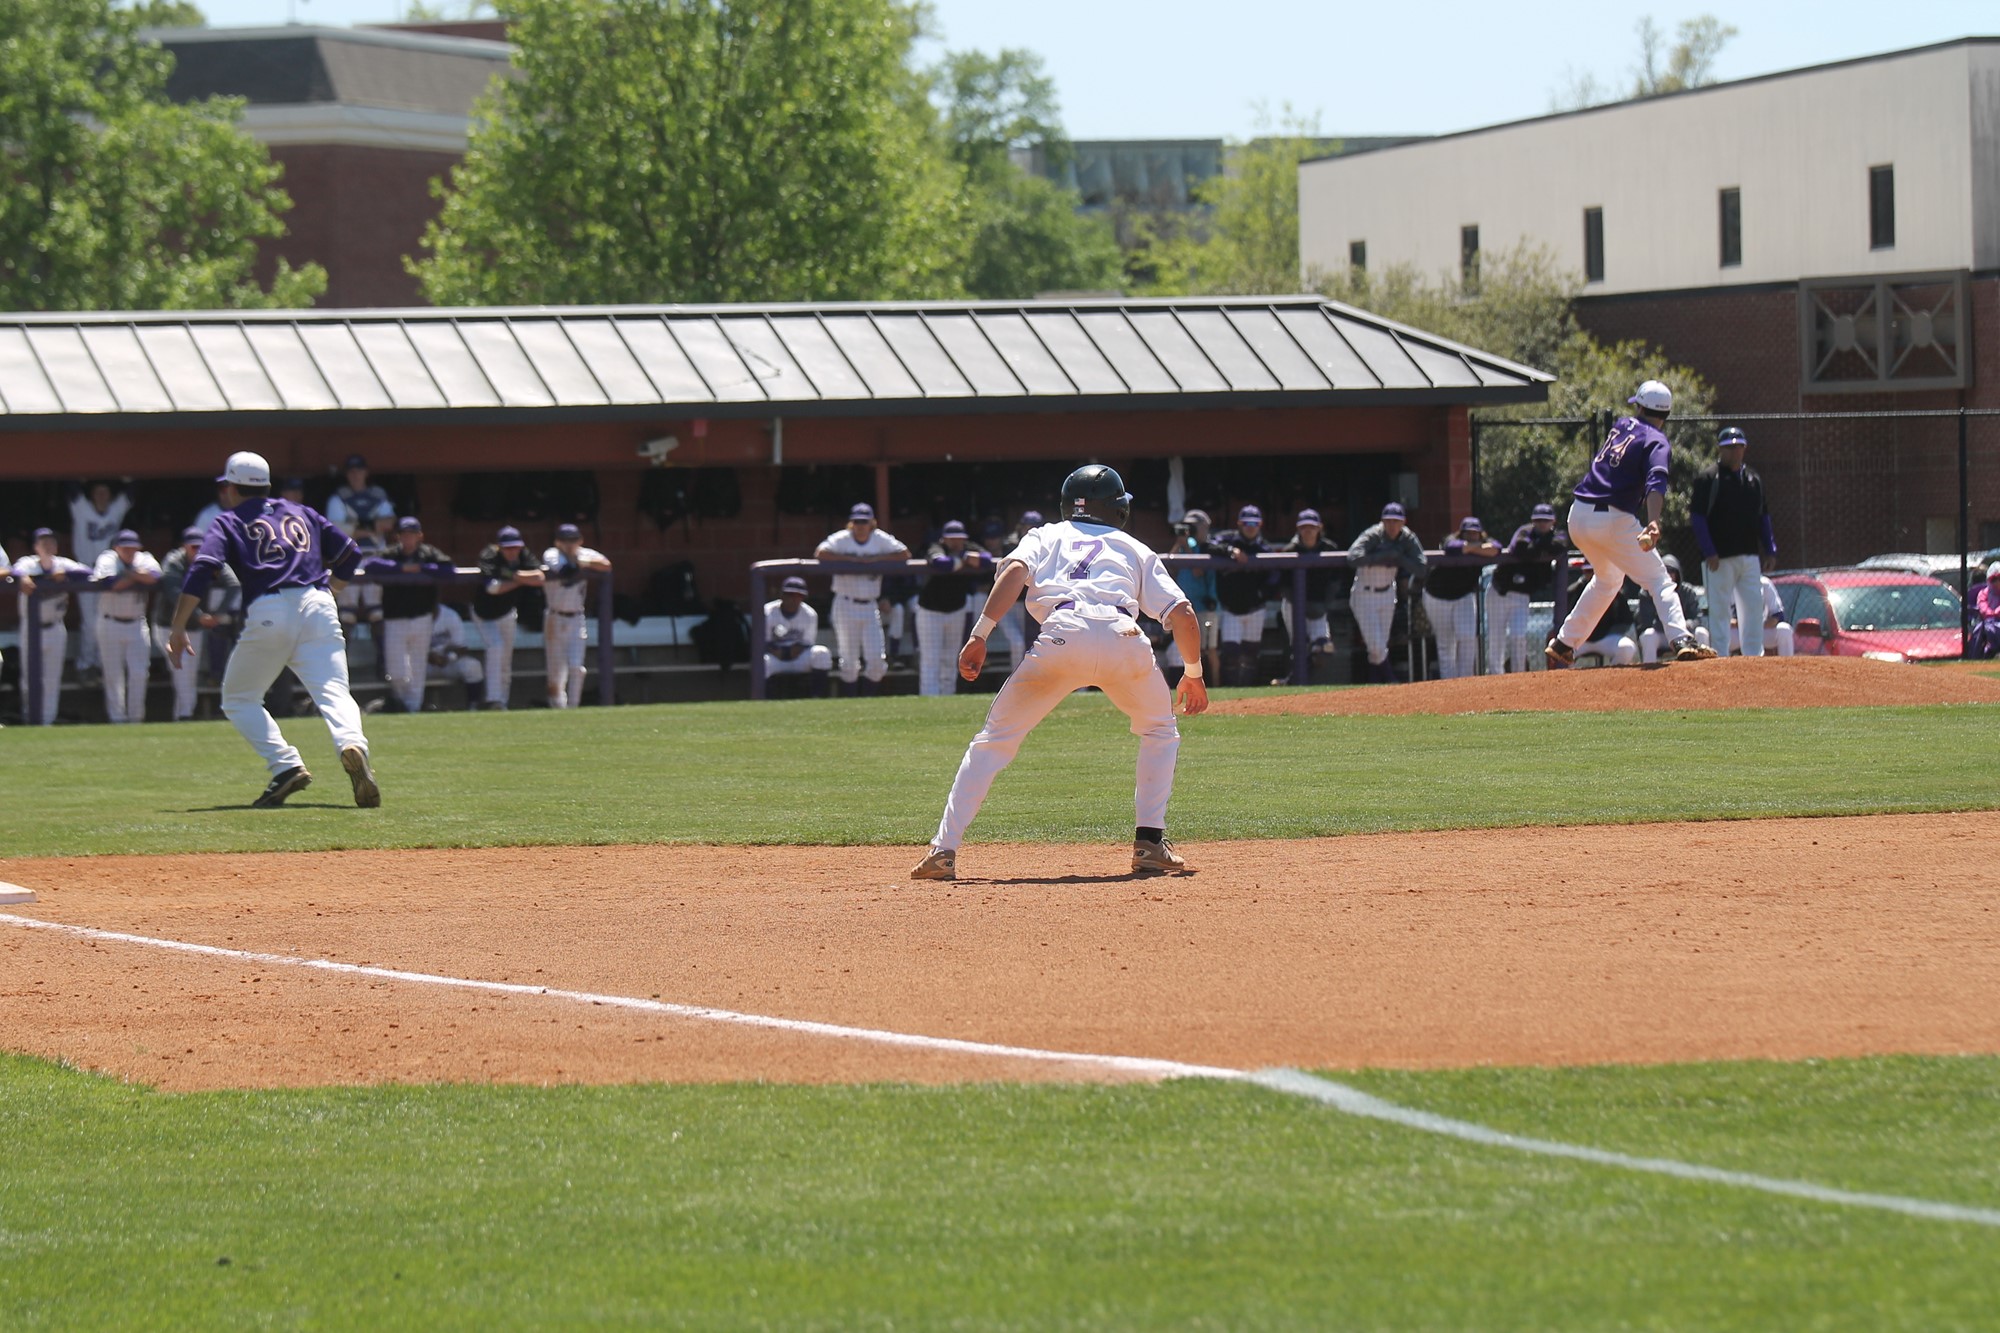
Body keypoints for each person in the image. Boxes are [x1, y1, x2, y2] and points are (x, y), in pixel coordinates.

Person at [911, 464, 1208, 882]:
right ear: (1118, 509)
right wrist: (1193, 673)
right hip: (1123, 636)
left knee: (994, 741)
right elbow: (1184, 614)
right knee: (1159, 730)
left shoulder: (1044, 535)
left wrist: (980, 634)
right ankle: (1149, 843)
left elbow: (1013, 573)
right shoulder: (1135, 548)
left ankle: (943, 850)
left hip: (1061, 635)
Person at [168, 450, 379, 809]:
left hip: (270, 607)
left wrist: (178, 626)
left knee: (238, 698)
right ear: (266, 486)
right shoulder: (302, 511)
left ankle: (285, 765)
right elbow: (350, 554)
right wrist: (332, 591)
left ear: (232, 488)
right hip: (318, 603)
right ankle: (351, 744)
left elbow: (203, 567)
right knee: (334, 692)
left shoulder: (228, 519)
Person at [1548, 381, 1715, 668]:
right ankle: (1682, 639)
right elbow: (1656, 481)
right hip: (1612, 518)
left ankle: (1564, 642)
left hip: (1578, 515)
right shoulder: (1657, 441)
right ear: (1667, 414)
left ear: (1639, 407)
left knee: (1608, 580)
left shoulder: (1622, 425)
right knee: (1659, 579)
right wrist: (1653, 521)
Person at [1691, 426, 1779, 658]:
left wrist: (1770, 549)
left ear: (1745, 448)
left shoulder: (1753, 479)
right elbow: (1698, 518)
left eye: (1738, 446)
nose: (1734, 451)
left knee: (1753, 608)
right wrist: (1709, 551)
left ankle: (1753, 656)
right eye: (1729, 447)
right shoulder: (1708, 478)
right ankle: (1720, 656)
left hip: (1749, 556)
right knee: (1719, 611)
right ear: (1720, 449)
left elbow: (1763, 516)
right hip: (1718, 559)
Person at [814, 503, 908, 695]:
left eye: (864, 522)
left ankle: (867, 700)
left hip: (869, 605)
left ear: (871, 523)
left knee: (877, 662)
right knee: (849, 662)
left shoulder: (879, 538)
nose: (860, 526)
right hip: (845, 603)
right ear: (851, 523)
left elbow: (904, 554)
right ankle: (851, 702)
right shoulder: (843, 539)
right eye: (857, 521)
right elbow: (820, 553)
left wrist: (876, 559)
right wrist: (852, 560)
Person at [365, 517, 453, 714]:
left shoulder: (428, 554)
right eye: (404, 534)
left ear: (419, 536)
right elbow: (370, 565)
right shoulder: (392, 553)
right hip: (395, 618)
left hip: (421, 617)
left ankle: (413, 708)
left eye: (412, 534)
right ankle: (402, 703)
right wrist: (401, 568)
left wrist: (422, 568)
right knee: (396, 670)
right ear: (398, 536)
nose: (408, 538)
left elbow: (449, 570)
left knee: (418, 666)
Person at [154, 526, 240, 720]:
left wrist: (218, 614)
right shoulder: (174, 562)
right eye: (193, 547)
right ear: (184, 546)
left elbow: (233, 584)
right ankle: (185, 714)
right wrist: (199, 615)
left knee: (189, 674)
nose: (198, 550)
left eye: (201, 546)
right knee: (182, 670)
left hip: (194, 627)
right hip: (170, 626)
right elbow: (175, 592)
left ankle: (183, 716)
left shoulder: (211, 560)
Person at [12, 529, 88, 726]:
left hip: (55, 627)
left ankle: (47, 719)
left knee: (52, 678)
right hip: (31, 628)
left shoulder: (63, 564)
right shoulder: (28, 563)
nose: (47, 545)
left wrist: (66, 574)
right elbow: (15, 571)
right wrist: (23, 578)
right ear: (35, 547)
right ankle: (29, 717)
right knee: (29, 678)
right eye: (43, 542)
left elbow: (88, 573)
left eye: (51, 542)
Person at [1347, 502, 1427, 683]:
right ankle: (1392, 681)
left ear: (1403, 522)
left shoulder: (1407, 538)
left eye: (1396, 521)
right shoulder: (1373, 535)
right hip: (1364, 594)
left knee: (1379, 647)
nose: (1392, 525)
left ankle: (1375, 686)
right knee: (1377, 647)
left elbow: (1421, 568)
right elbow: (1352, 557)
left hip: (1388, 594)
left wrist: (1399, 558)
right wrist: (1381, 556)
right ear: (1382, 521)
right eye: (1388, 521)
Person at [472, 525, 545, 710]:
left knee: (505, 659)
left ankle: (502, 702)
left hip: (507, 612)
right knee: (495, 647)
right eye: (508, 548)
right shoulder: (489, 555)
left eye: (515, 547)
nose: (512, 552)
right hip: (484, 613)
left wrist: (512, 576)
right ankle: (493, 699)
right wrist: (521, 580)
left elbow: (539, 578)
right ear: (499, 547)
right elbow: (493, 588)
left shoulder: (524, 555)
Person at [91, 529, 161, 723]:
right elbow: (111, 583)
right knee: (113, 675)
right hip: (110, 622)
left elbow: (155, 576)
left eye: (133, 548)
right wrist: (137, 576)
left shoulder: (144, 558)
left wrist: (128, 575)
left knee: (139, 673)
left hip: (136, 623)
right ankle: (117, 719)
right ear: (117, 547)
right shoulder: (107, 558)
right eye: (125, 548)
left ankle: (135, 718)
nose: (130, 551)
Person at [1489, 504, 1568, 674]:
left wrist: (1537, 547)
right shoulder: (1524, 531)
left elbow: (1560, 545)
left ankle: (1518, 675)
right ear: (1533, 521)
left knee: (1518, 636)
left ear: (1553, 521)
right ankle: (1495, 676)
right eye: (1538, 520)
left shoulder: (1558, 534)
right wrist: (1543, 548)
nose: (1542, 524)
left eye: (1545, 520)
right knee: (1497, 638)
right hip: (1499, 591)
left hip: (1522, 596)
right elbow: (1520, 548)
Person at [914, 520, 990, 696]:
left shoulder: (968, 548)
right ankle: (930, 699)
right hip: (930, 611)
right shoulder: (936, 547)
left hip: (956, 610)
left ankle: (947, 696)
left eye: (959, 538)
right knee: (931, 659)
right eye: (952, 538)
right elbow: (940, 563)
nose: (956, 542)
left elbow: (987, 560)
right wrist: (962, 560)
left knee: (950, 658)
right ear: (944, 539)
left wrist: (965, 556)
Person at [542, 522, 611, 708]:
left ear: (580, 540)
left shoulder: (584, 553)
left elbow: (606, 565)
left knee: (576, 667)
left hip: (577, 618)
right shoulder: (551, 554)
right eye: (565, 541)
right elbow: (566, 571)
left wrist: (583, 561)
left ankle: (573, 707)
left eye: (573, 540)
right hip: (554, 618)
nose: (569, 544)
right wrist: (580, 563)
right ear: (557, 542)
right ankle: (558, 709)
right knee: (556, 671)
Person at [69, 480, 132, 678]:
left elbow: (132, 492)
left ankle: (102, 665)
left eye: (105, 492)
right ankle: (86, 665)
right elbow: (70, 486)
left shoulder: (115, 510)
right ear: (92, 495)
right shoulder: (83, 509)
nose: (102, 496)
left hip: (111, 572)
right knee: (90, 623)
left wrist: (126, 479)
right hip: (86, 572)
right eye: (98, 492)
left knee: (107, 622)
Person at [1423, 516, 1498, 679]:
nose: (1471, 536)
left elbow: (1496, 548)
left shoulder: (1484, 542)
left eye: (1474, 533)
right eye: (1467, 533)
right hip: (1437, 596)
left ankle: (1466, 680)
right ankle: (1449, 683)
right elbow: (1451, 547)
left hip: (1463, 596)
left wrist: (1470, 548)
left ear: (1480, 534)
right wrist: (1478, 549)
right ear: (1461, 533)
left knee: (1467, 637)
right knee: (1445, 643)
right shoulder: (1452, 539)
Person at [1211, 504, 1274, 686]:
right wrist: (1230, 551)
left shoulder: (1264, 548)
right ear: (1239, 524)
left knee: (1250, 654)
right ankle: (1231, 690)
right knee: (1231, 653)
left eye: (1254, 523)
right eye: (1246, 523)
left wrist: (1263, 594)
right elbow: (1209, 545)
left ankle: (1247, 692)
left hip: (1255, 609)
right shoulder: (1228, 539)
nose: (1250, 527)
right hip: (1231, 609)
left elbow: (1275, 576)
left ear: (1260, 525)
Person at [1277, 509, 1340, 669]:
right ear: (1298, 529)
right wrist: (1301, 605)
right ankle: (1295, 678)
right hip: (1294, 605)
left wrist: (1324, 605)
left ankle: (1301, 677)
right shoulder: (1289, 551)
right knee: (1300, 646)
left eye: (1312, 527)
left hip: (1318, 605)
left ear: (1319, 528)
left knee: (1323, 649)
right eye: (1304, 527)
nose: (1308, 531)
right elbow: (1284, 586)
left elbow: (1335, 582)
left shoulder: (1329, 548)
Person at [1167, 509, 1220, 681]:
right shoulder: (1186, 543)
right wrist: (1179, 543)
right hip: (1185, 606)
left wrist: (1188, 548)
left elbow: (1198, 572)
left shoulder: (1206, 546)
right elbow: (1169, 565)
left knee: (1208, 650)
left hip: (1204, 606)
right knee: (1191, 649)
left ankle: (1214, 684)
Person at [764, 574, 832, 696]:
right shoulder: (767, 611)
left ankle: (817, 698)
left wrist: (790, 652)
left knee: (822, 653)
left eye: (798, 595)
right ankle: (764, 700)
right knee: (763, 662)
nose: (794, 599)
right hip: (775, 657)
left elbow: (807, 643)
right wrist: (779, 652)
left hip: (798, 658)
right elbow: (763, 642)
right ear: (782, 595)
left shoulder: (809, 614)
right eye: (790, 594)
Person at [1636, 555, 1711, 664]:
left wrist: (1688, 624)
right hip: (1661, 635)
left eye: (1672, 572)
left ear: (1678, 574)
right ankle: (1649, 667)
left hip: (1684, 634)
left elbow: (1697, 618)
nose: (1669, 575)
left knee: (1701, 632)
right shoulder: (1647, 592)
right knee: (1648, 635)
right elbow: (1646, 623)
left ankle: (1703, 667)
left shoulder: (1687, 591)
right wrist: (1668, 625)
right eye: (1665, 572)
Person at [994, 510, 1044, 669]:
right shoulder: (1011, 543)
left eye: (1034, 527)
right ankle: (1017, 676)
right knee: (1017, 643)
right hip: (1010, 603)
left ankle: (1032, 676)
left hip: (1030, 603)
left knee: (1034, 643)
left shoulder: (1047, 543)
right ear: (1021, 526)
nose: (1030, 530)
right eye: (1027, 526)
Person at [427, 604, 485, 708]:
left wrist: (449, 657)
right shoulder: (414, 616)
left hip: (447, 662)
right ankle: (410, 707)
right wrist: (428, 657)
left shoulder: (450, 615)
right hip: (422, 665)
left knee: (473, 666)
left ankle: (473, 706)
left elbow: (462, 648)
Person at [325, 453, 396, 537]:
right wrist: (368, 530)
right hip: (350, 544)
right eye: (351, 472)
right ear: (346, 474)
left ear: (366, 472)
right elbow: (336, 529)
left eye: (359, 471)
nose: (355, 475)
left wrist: (354, 526)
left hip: (377, 544)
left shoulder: (378, 495)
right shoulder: (337, 498)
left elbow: (389, 523)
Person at [1729, 576, 1796, 657]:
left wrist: (1757, 626)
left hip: (1761, 630)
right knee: (1718, 636)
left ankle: (1787, 663)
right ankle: (1720, 664)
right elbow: (1721, 619)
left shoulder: (1764, 584)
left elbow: (1778, 616)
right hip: (1738, 632)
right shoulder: (1728, 585)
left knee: (1784, 630)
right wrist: (1743, 624)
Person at [1969, 564, 2000, 660]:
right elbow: (1982, 607)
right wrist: (1992, 614)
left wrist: (1995, 613)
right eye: (1994, 580)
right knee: (1979, 629)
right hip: (1987, 622)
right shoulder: (1983, 593)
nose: (1997, 582)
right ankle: (1976, 657)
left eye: (1999, 579)